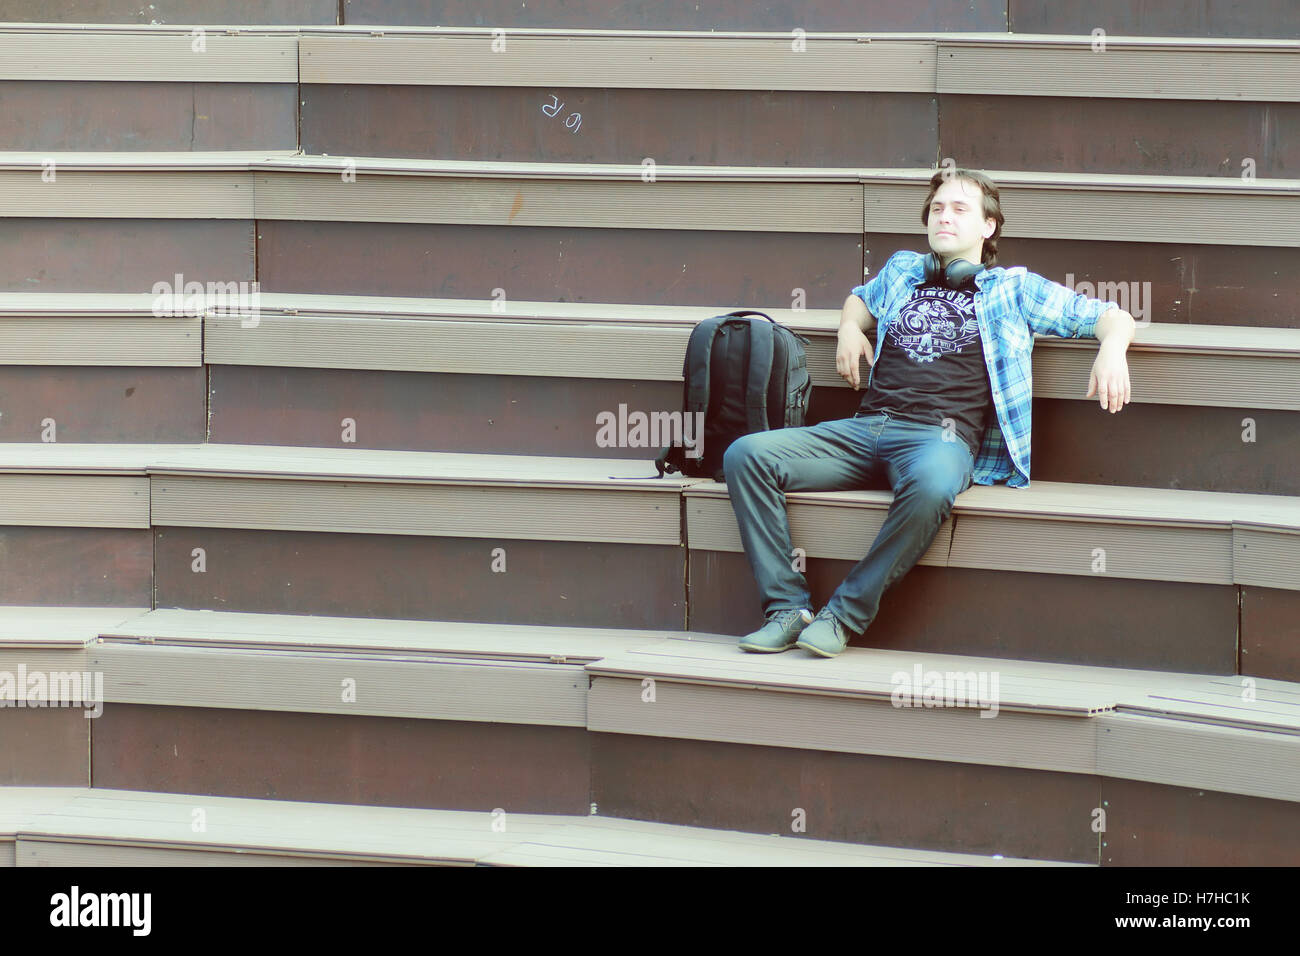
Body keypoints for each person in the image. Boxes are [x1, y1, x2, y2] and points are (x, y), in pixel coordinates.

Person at [724, 168, 1136, 658]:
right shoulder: (904, 270)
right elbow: (860, 300)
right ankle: (787, 608)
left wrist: (1112, 349)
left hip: (938, 440)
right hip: (865, 429)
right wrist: (849, 329)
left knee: (935, 484)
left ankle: (843, 614)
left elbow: (1106, 315)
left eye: (960, 209)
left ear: (988, 227)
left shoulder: (1013, 289)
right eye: (938, 208)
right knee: (746, 455)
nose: (945, 216)